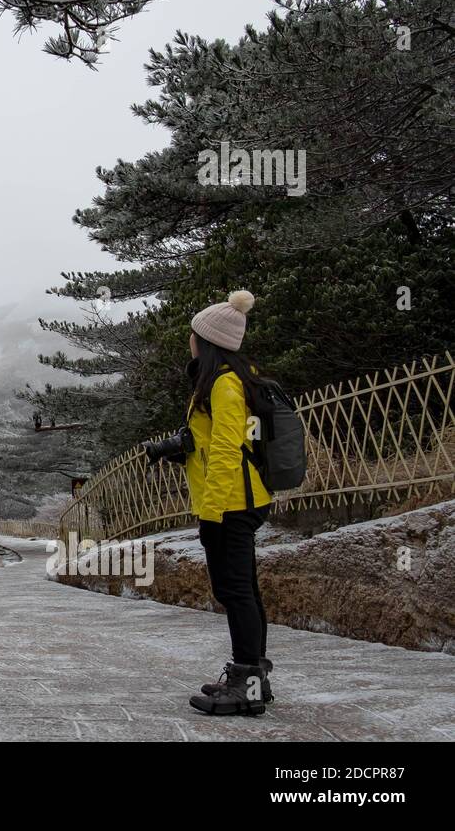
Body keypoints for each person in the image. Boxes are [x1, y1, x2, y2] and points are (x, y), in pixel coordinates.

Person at [180, 290, 274, 716]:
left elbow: (226, 450)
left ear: (208, 340)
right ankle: (252, 678)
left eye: (194, 335)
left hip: (232, 502)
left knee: (235, 591)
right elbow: (209, 441)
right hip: (236, 499)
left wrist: (211, 514)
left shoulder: (224, 384)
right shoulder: (235, 376)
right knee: (243, 590)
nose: (190, 342)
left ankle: (247, 686)